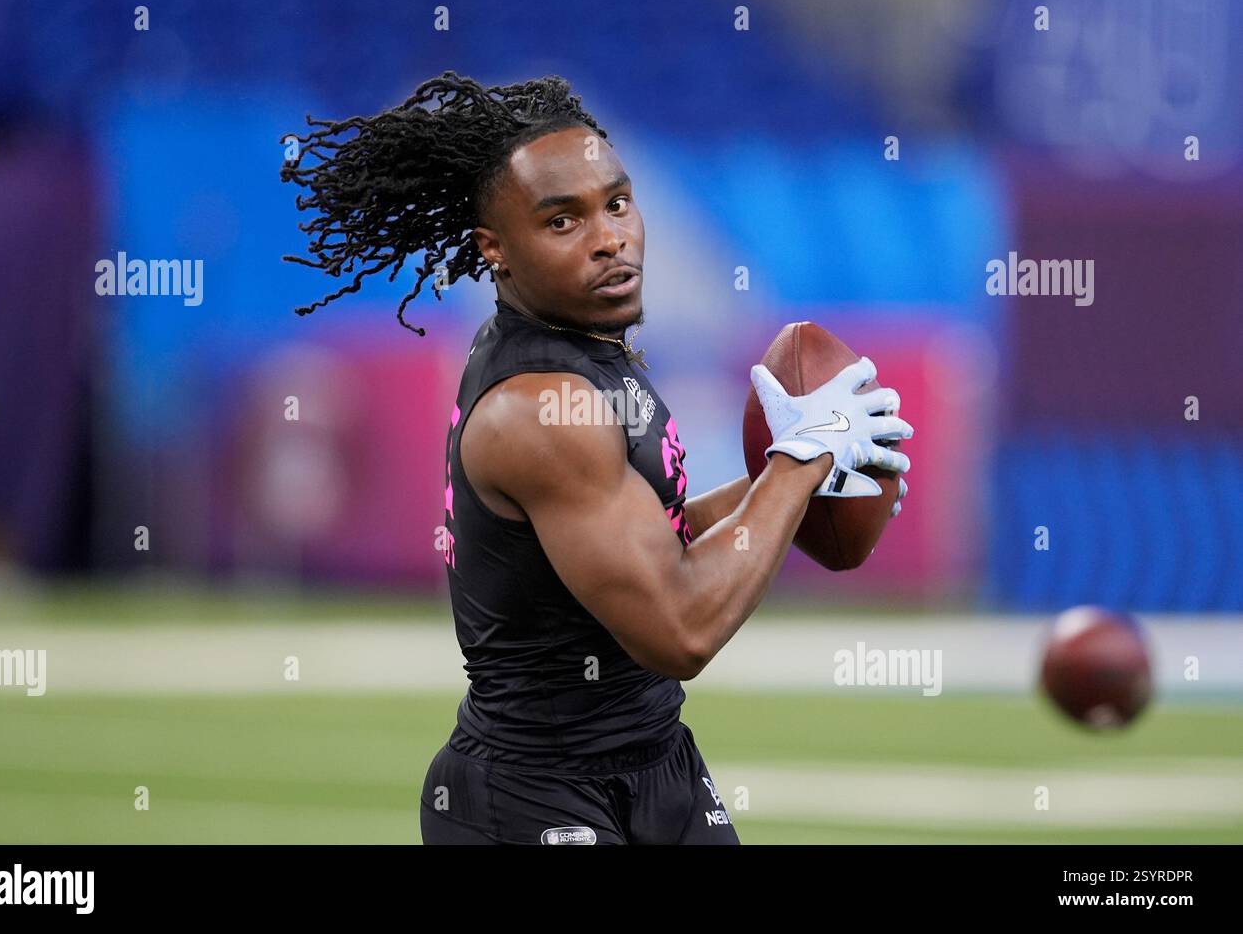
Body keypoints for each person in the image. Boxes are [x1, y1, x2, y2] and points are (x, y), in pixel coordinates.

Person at [281, 71, 912, 845]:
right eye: (562, 220)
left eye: (617, 203)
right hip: (535, 791)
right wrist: (801, 464)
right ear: (496, 251)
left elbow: (657, 535)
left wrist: (796, 468)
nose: (610, 236)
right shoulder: (541, 408)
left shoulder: (591, 349)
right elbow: (680, 632)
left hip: (656, 761)